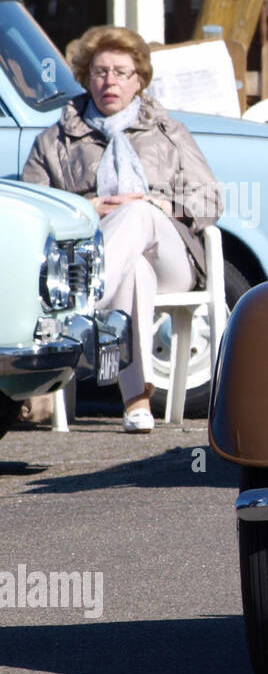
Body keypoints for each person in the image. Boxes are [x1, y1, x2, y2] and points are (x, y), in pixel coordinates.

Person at [22, 26, 222, 430]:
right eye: (99, 72)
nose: (109, 81)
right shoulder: (55, 140)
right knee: (134, 272)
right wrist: (88, 207)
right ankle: (137, 404)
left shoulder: (169, 132)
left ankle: (78, 314)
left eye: (120, 72)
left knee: (140, 214)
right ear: (85, 77)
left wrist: (159, 204)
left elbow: (211, 200)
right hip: (98, 257)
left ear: (139, 81)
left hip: (172, 259)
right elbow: (33, 209)